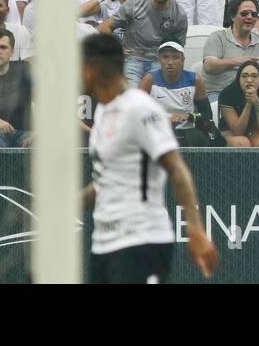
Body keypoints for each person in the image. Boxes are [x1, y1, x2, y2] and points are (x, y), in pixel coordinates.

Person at [82, 33, 218, 283]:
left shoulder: (140, 109)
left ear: (91, 69)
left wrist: (195, 228)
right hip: (103, 243)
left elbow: (177, 169)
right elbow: (106, 178)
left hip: (141, 241)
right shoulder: (102, 111)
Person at [98, 0, 189, 82]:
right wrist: (118, 48)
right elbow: (105, 27)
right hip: (133, 58)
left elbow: (178, 49)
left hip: (159, 62)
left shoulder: (179, 15)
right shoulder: (136, 2)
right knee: (132, 95)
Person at [218, 58, 259, 147]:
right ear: (238, 78)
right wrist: (248, 104)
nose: (249, 80)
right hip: (231, 132)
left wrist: (257, 102)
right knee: (241, 142)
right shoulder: (227, 94)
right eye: (244, 76)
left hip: (257, 131)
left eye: (254, 76)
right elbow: (237, 131)